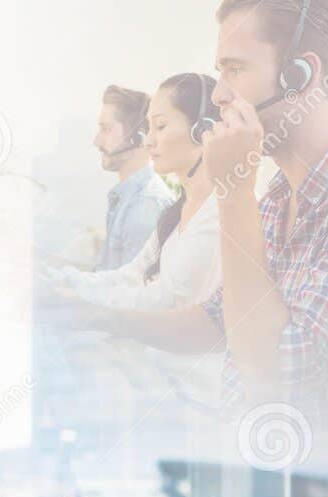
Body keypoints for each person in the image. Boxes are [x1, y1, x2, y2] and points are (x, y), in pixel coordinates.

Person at [73, 0, 328, 472]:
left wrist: (231, 192)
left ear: (301, 76)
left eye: (235, 70)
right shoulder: (272, 199)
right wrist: (95, 316)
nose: (220, 96)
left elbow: (280, 379)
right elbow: (216, 320)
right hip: (239, 471)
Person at [41, 73, 227, 409]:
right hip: (153, 376)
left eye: (160, 127)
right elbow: (130, 275)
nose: (148, 141)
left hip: (190, 397)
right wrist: (61, 283)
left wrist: (81, 305)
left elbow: (165, 299)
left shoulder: (220, 213)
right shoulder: (177, 211)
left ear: (202, 129)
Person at [88, 85, 173, 272]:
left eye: (106, 129)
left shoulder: (144, 207)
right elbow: (106, 275)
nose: (97, 141)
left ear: (139, 139)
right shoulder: (128, 198)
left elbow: (128, 295)